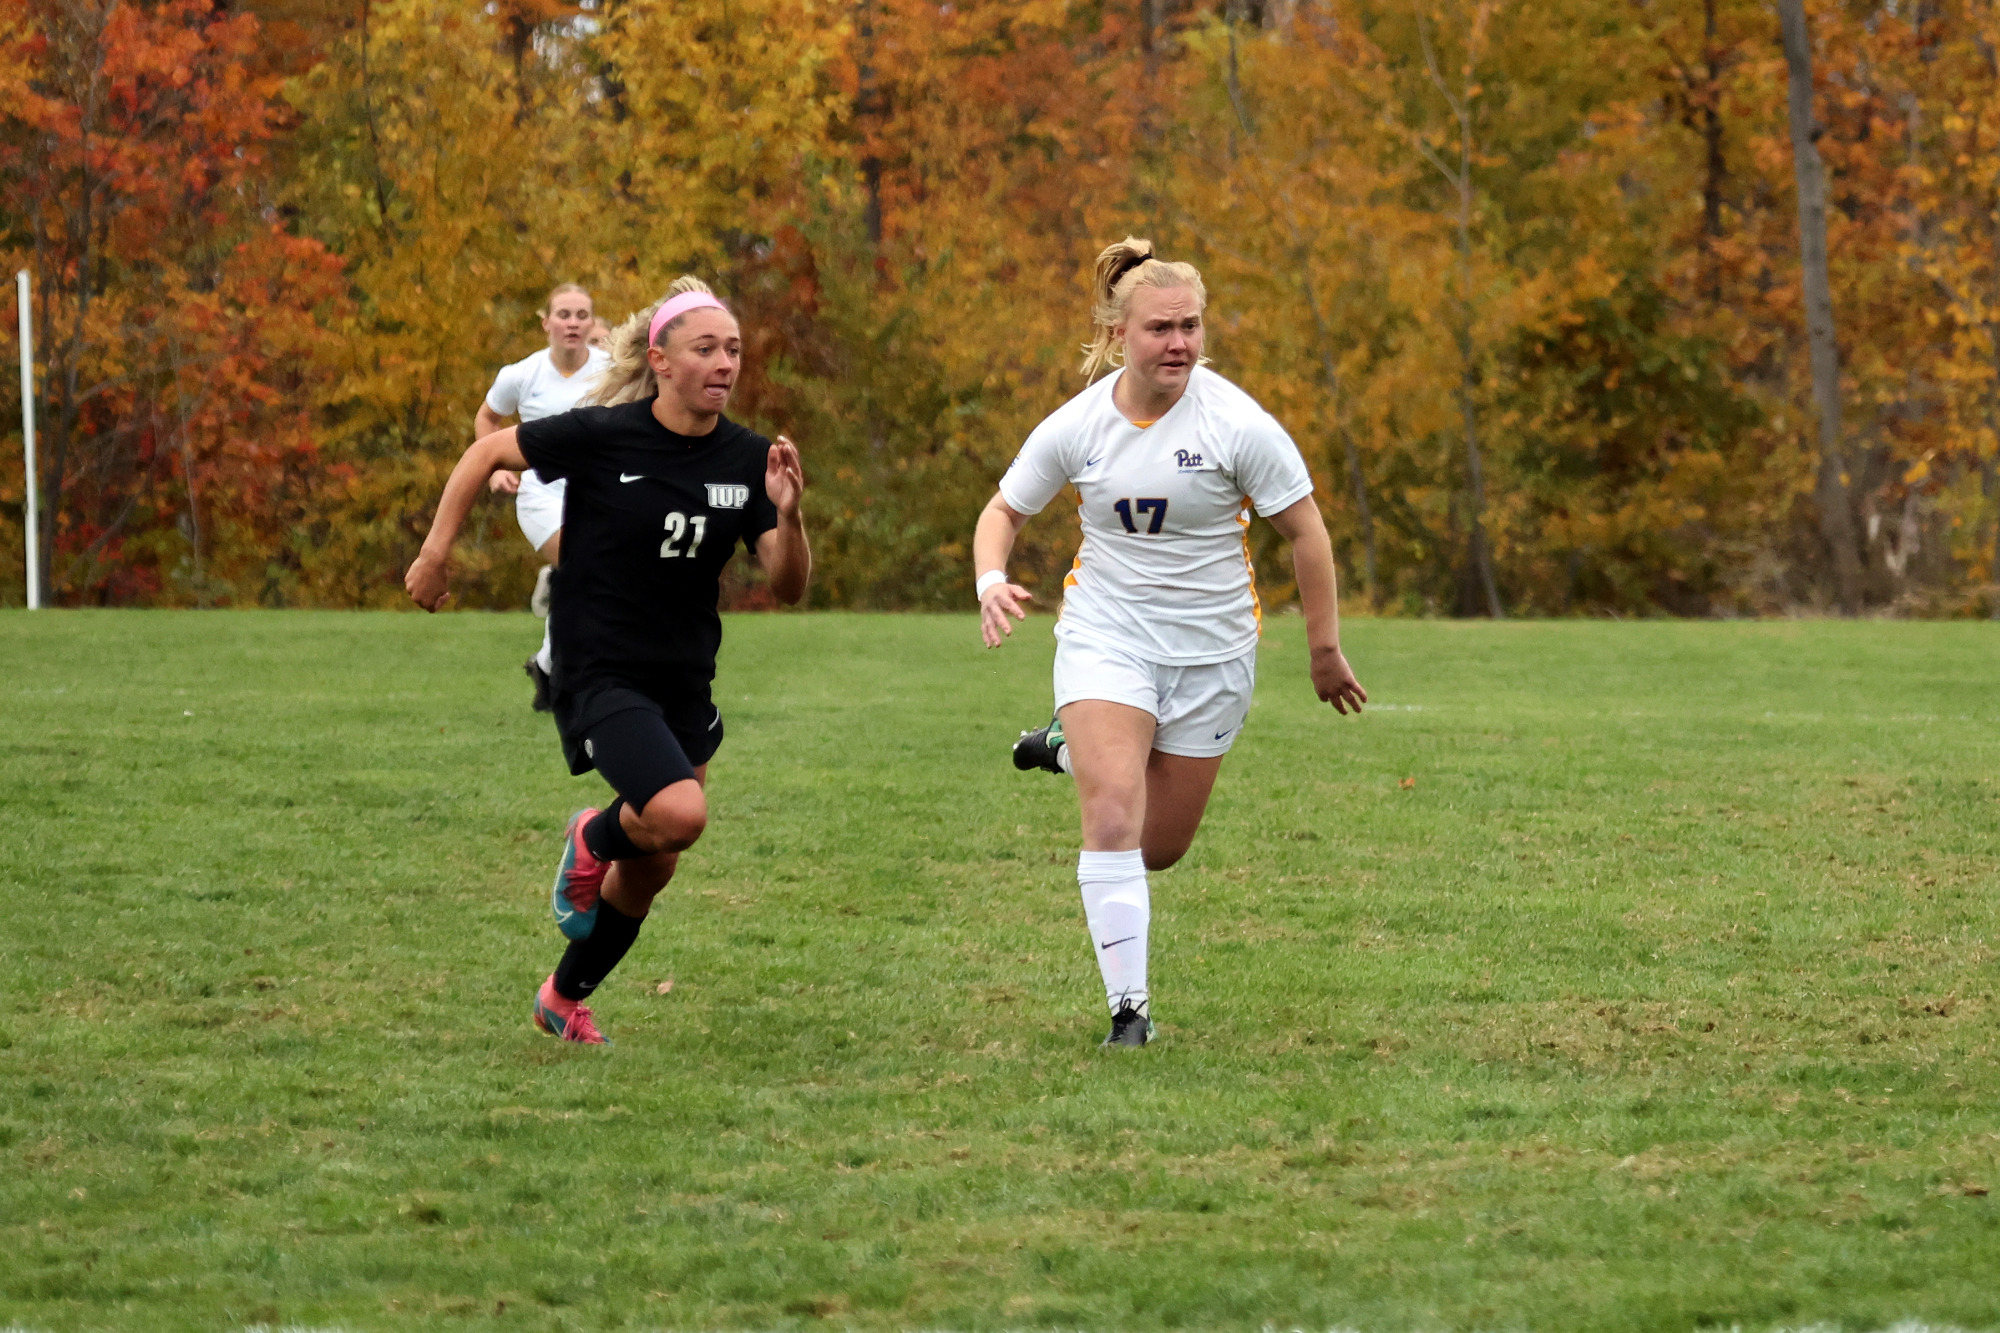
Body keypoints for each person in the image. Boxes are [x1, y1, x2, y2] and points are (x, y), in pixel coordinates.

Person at [972, 237, 1367, 1048]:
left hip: (1213, 653)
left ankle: (1066, 749)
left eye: (1190, 325)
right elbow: (1003, 511)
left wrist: (1323, 650)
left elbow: (1306, 531)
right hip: (1106, 634)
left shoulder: (1235, 422)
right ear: (1121, 335)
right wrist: (990, 580)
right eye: (1160, 328)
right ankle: (1130, 1012)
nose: (1179, 342)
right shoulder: (1079, 425)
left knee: (1157, 848)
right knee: (1113, 816)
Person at [406, 277, 811, 1045]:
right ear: (660, 360)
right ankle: (591, 835)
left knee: (656, 860)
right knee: (678, 814)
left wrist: (789, 518)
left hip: (684, 677)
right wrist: (435, 553)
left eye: (732, 350)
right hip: (599, 666)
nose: (724, 363)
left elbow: (788, 585)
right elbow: (488, 450)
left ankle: (563, 995)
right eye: (705, 349)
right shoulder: (603, 434)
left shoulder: (751, 458)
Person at [478, 283, 614, 710]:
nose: (572, 323)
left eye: (581, 315)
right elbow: (487, 417)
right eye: (564, 314)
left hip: (599, 495)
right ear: (546, 323)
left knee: (586, 579)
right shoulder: (521, 374)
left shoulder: (613, 370)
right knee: (587, 571)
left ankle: (548, 663)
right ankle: (586, 674)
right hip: (542, 496)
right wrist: (497, 467)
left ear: (592, 323)